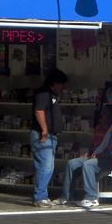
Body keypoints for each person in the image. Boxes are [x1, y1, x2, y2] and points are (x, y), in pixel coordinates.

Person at [60, 83, 112, 209]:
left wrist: (95, 156)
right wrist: (88, 153)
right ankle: (66, 197)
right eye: (101, 115)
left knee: (88, 165)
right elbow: (94, 145)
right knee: (72, 163)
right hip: (95, 156)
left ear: (111, 117)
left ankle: (91, 197)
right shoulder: (98, 128)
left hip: (107, 159)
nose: (101, 118)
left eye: (104, 115)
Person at [30, 67, 68, 207]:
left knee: (48, 166)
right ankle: (40, 197)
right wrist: (45, 130)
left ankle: (42, 195)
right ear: (54, 82)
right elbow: (39, 111)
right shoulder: (43, 94)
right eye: (61, 84)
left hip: (51, 136)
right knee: (45, 166)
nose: (63, 87)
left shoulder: (52, 95)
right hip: (43, 135)